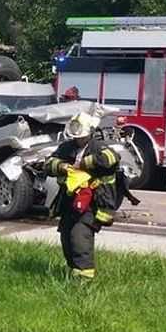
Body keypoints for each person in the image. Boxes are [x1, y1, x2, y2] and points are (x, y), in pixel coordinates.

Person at [45, 111, 123, 280]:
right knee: (66, 238)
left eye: (81, 137)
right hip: (69, 201)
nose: (78, 140)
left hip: (92, 202)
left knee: (79, 237)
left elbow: (112, 158)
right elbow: (48, 163)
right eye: (76, 137)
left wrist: (86, 163)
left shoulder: (98, 147)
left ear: (90, 133)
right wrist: (61, 166)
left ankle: (85, 279)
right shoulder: (67, 147)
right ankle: (74, 273)